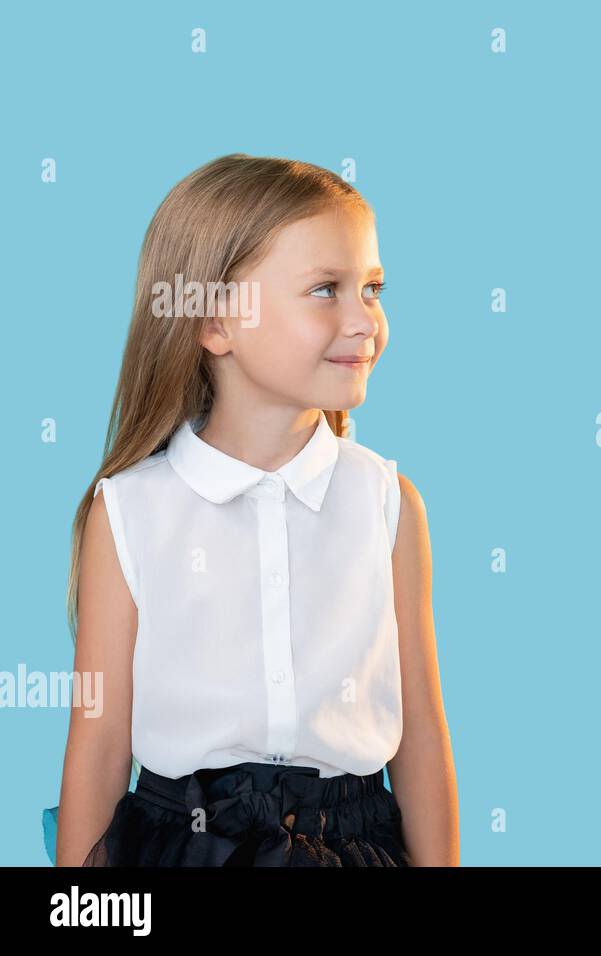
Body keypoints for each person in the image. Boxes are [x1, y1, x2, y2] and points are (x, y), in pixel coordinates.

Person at [49, 154, 459, 866]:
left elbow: (421, 734)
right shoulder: (129, 513)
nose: (365, 320)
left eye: (373, 288)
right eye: (326, 290)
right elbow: (100, 741)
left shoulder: (388, 505)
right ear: (216, 323)